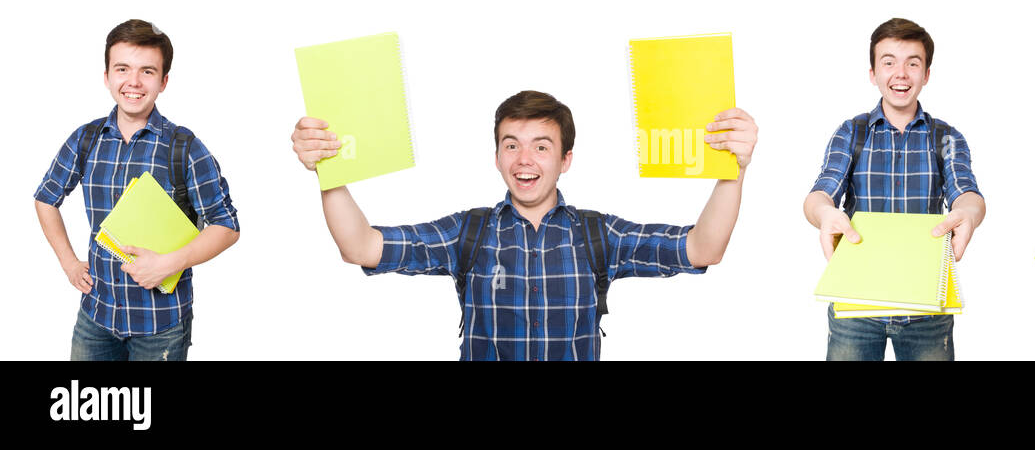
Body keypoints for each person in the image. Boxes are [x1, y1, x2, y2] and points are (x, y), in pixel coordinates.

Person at [291, 90, 757, 360]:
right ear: (496, 156)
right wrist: (328, 173)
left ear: (565, 159)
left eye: (541, 146)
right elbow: (361, 246)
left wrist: (732, 170)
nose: (525, 159)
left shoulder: (600, 235)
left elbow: (702, 248)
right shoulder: (465, 233)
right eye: (511, 145)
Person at [34, 19, 241, 361]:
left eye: (147, 71)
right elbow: (46, 198)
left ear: (163, 81)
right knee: (90, 411)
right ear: (107, 77)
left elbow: (227, 225)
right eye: (122, 68)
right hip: (96, 316)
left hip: (161, 324)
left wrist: (168, 263)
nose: (133, 81)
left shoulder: (184, 148)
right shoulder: (85, 140)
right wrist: (69, 263)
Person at [803, 18, 985, 361]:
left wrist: (967, 215)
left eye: (912, 63)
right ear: (873, 73)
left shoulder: (946, 136)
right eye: (889, 62)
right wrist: (826, 213)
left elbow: (967, 194)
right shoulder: (851, 132)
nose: (900, 73)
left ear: (926, 73)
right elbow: (820, 194)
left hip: (926, 305)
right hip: (856, 298)